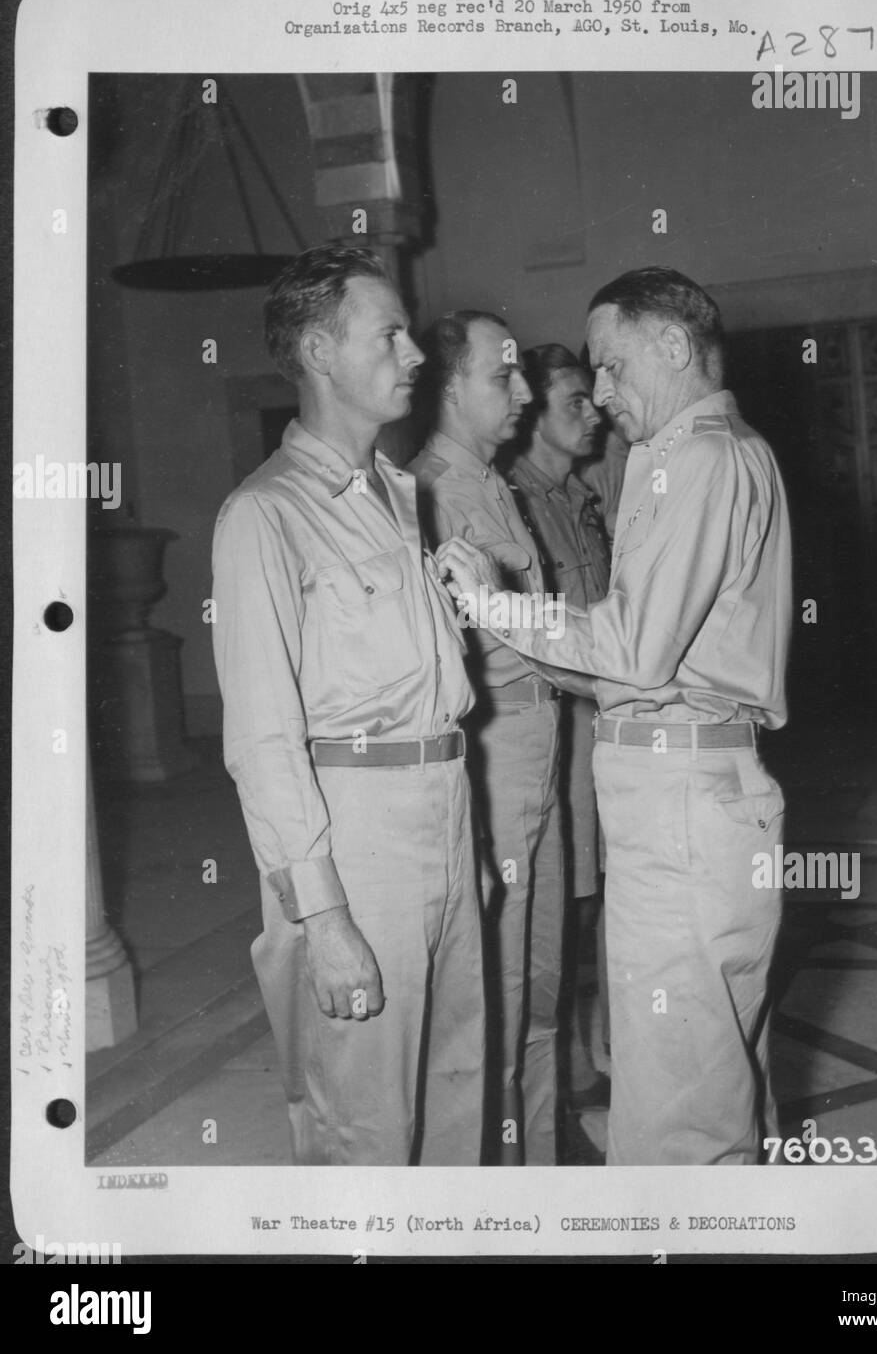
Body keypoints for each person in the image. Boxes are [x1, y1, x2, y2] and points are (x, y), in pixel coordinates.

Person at [438, 267, 792, 1166]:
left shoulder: (698, 457)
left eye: (610, 364)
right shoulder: (710, 453)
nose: (599, 391)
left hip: (678, 800)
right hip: (691, 786)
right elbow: (644, 663)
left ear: (673, 347)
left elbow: (635, 651)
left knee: (679, 1114)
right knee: (711, 1076)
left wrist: (496, 607)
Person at [210, 243, 484, 1166]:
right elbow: (260, 738)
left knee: (454, 1096)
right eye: (391, 334)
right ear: (321, 353)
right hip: (352, 832)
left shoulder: (398, 496)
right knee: (360, 1123)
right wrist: (322, 918)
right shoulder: (266, 513)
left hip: (445, 807)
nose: (415, 355)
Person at [410, 312, 565, 1165]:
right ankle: (499, 1193)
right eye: (502, 377)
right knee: (496, 990)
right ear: (446, 385)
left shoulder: (491, 478)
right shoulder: (432, 489)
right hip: (498, 753)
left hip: (541, 744)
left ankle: (544, 1173)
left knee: (541, 981)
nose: (526, 392)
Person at [505, 345, 612, 1107]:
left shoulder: (579, 496)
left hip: (601, 731)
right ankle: (561, 1070)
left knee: (599, 891)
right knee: (561, 904)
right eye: (573, 401)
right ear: (533, 412)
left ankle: (598, 1050)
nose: (594, 411)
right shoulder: (514, 502)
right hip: (558, 732)